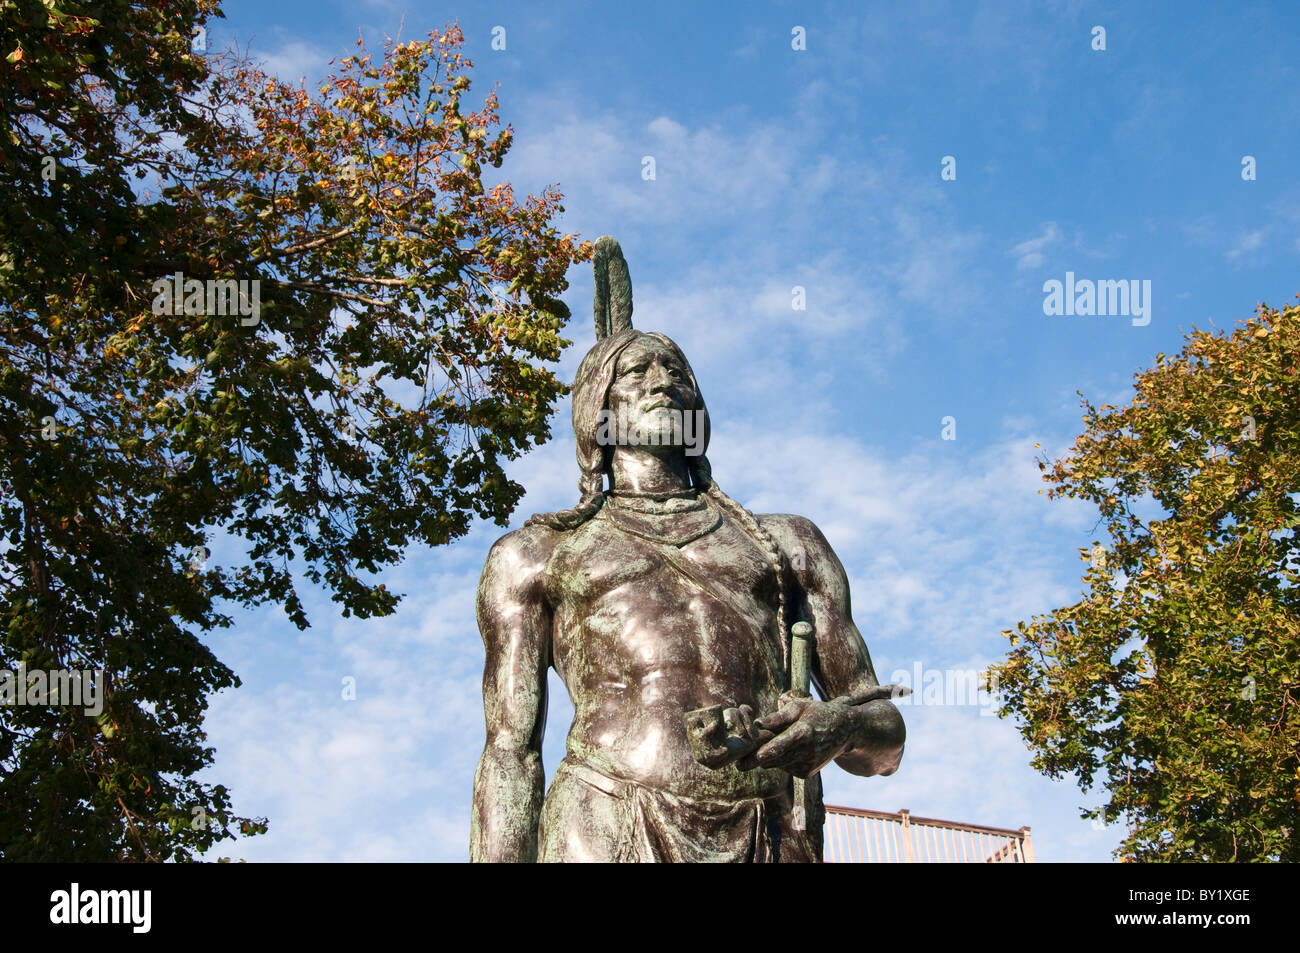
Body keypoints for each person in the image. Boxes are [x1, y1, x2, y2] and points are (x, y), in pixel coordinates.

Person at [470, 239, 904, 862]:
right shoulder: (537, 554)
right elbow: (510, 752)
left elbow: (885, 740)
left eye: (676, 373)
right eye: (637, 373)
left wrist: (838, 727)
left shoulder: (788, 544)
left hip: (768, 828)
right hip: (605, 817)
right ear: (598, 408)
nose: (662, 384)